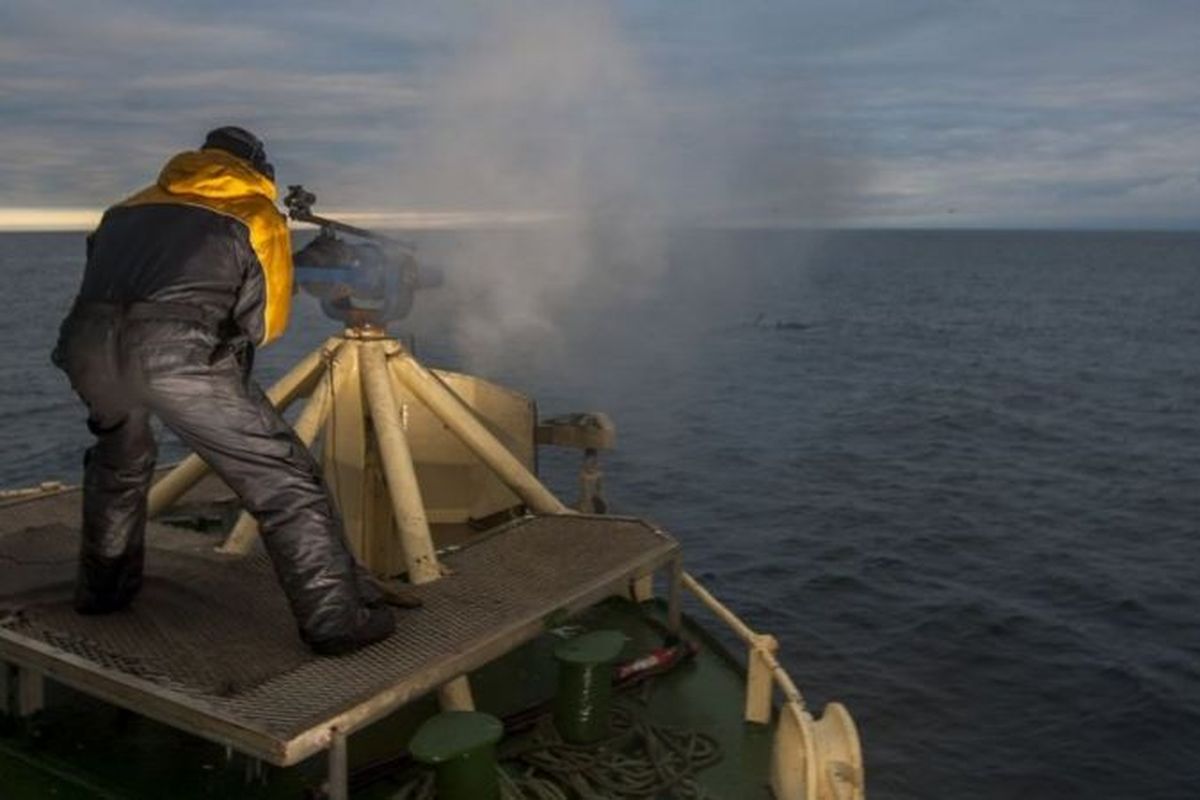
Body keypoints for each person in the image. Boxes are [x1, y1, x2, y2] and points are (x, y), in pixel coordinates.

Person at [52, 126, 395, 655]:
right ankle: (335, 622)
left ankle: (103, 593)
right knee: (283, 481)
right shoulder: (256, 216)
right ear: (258, 170)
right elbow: (265, 324)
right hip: (176, 358)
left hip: (89, 350)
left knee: (120, 462)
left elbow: (125, 282)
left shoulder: (123, 210)